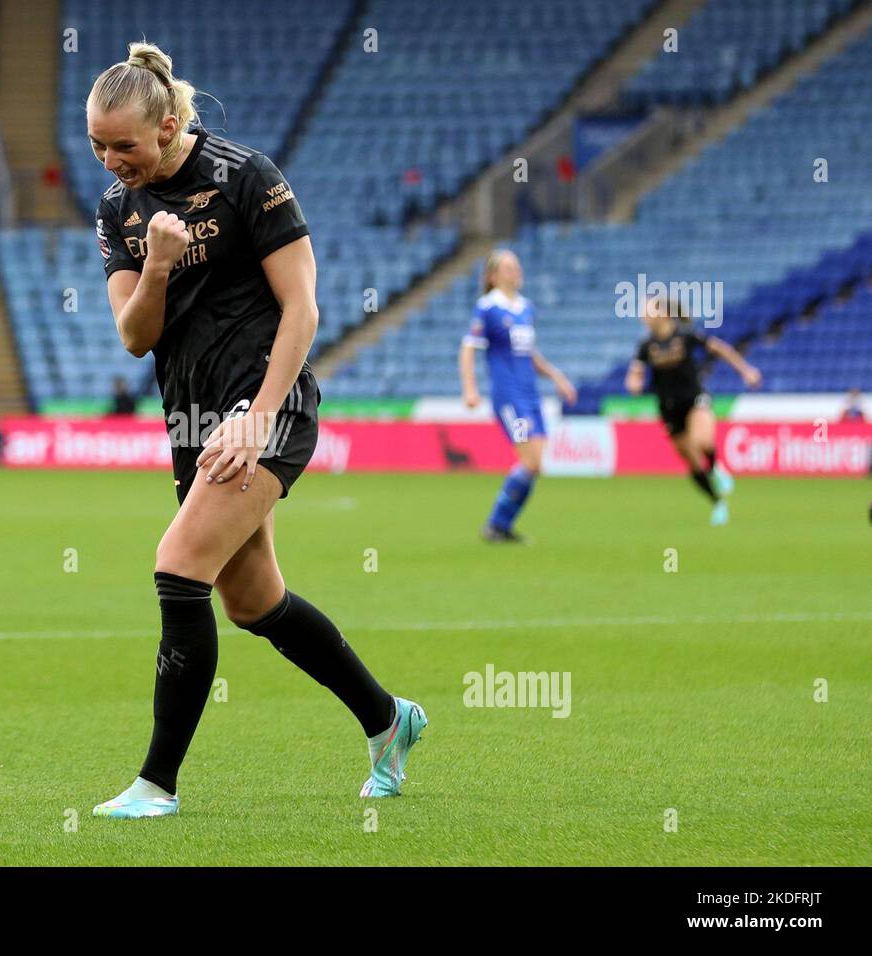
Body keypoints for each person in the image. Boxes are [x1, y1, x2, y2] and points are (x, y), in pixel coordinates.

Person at [88, 42, 425, 819]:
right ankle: (389, 720)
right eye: (100, 146)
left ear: (169, 125)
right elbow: (134, 336)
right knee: (252, 601)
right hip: (193, 418)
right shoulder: (117, 210)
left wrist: (259, 416)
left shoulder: (248, 177)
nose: (113, 160)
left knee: (178, 569)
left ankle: (156, 785)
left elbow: (302, 309)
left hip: (268, 407)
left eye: (126, 145)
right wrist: (161, 265)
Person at [458, 249, 576, 542]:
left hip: (531, 397)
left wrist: (556, 377)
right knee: (530, 462)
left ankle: (501, 526)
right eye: (508, 268)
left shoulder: (526, 308)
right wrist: (470, 389)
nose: (515, 272)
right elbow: (468, 349)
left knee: (536, 465)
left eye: (517, 267)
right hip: (510, 397)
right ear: (493, 275)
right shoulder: (487, 308)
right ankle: (496, 524)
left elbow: (529, 354)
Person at [625, 294, 761, 525]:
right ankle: (718, 502)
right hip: (668, 408)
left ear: (663, 313)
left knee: (702, 441)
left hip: (694, 399)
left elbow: (719, 348)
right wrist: (633, 384)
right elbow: (635, 373)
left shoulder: (685, 335)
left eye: (647, 310)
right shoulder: (646, 346)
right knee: (692, 461)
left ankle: (717, 467)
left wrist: (745, 369)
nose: (643, 315)